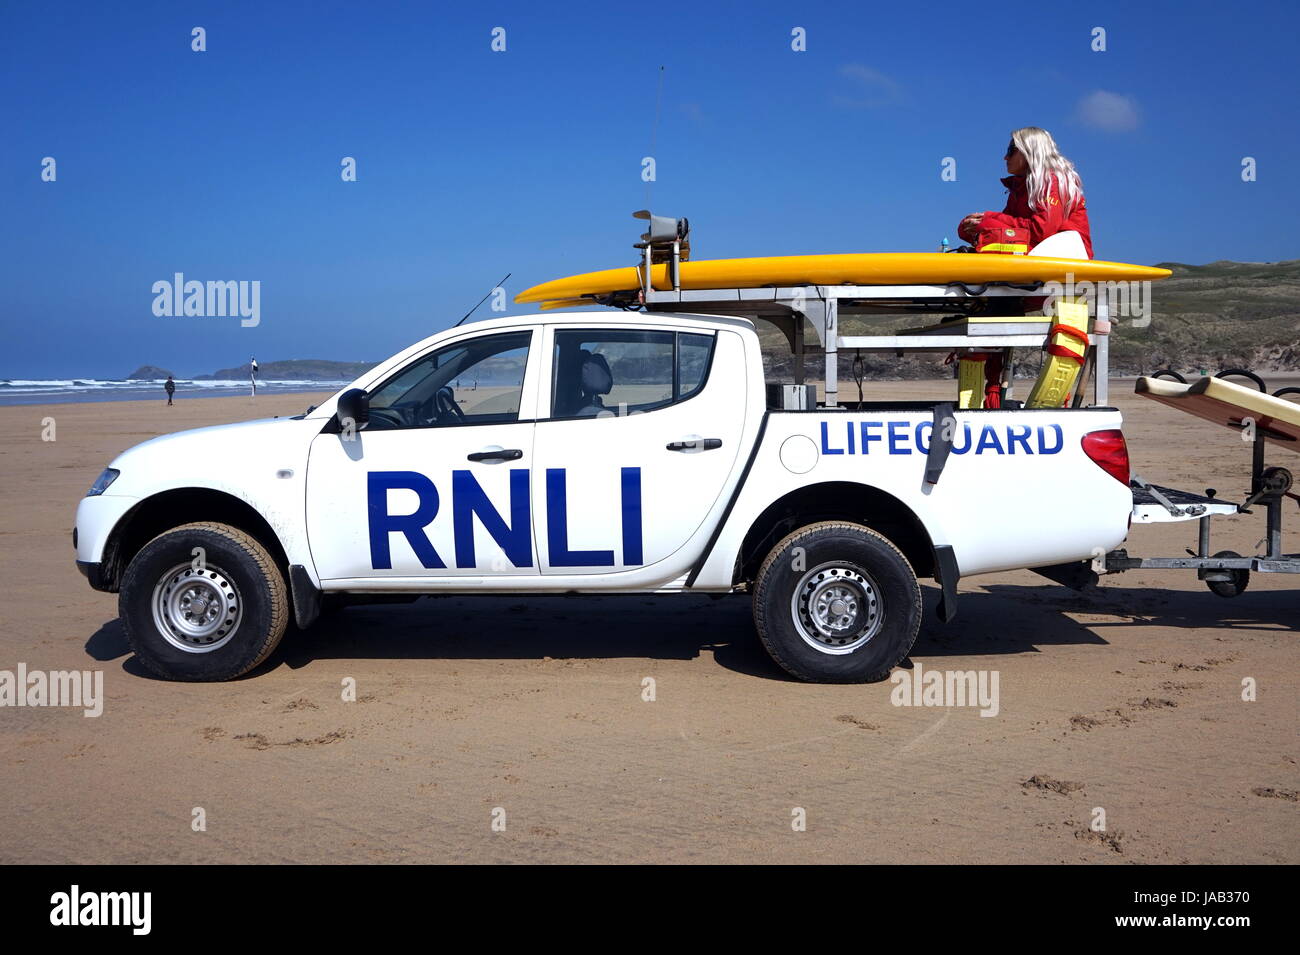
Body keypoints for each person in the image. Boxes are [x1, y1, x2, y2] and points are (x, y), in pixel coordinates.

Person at [958, 127, 1092, 258]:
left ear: (1030, 151)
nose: (1005, 157)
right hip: (1037, 247)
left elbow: (1041, 230)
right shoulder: (1019, 187)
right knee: (968, 227)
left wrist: (989, 218)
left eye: (1011, 151)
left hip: (1065, 252)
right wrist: (978, 225)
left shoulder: (1054, 181)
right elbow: (1009, 224)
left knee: (986, 224)